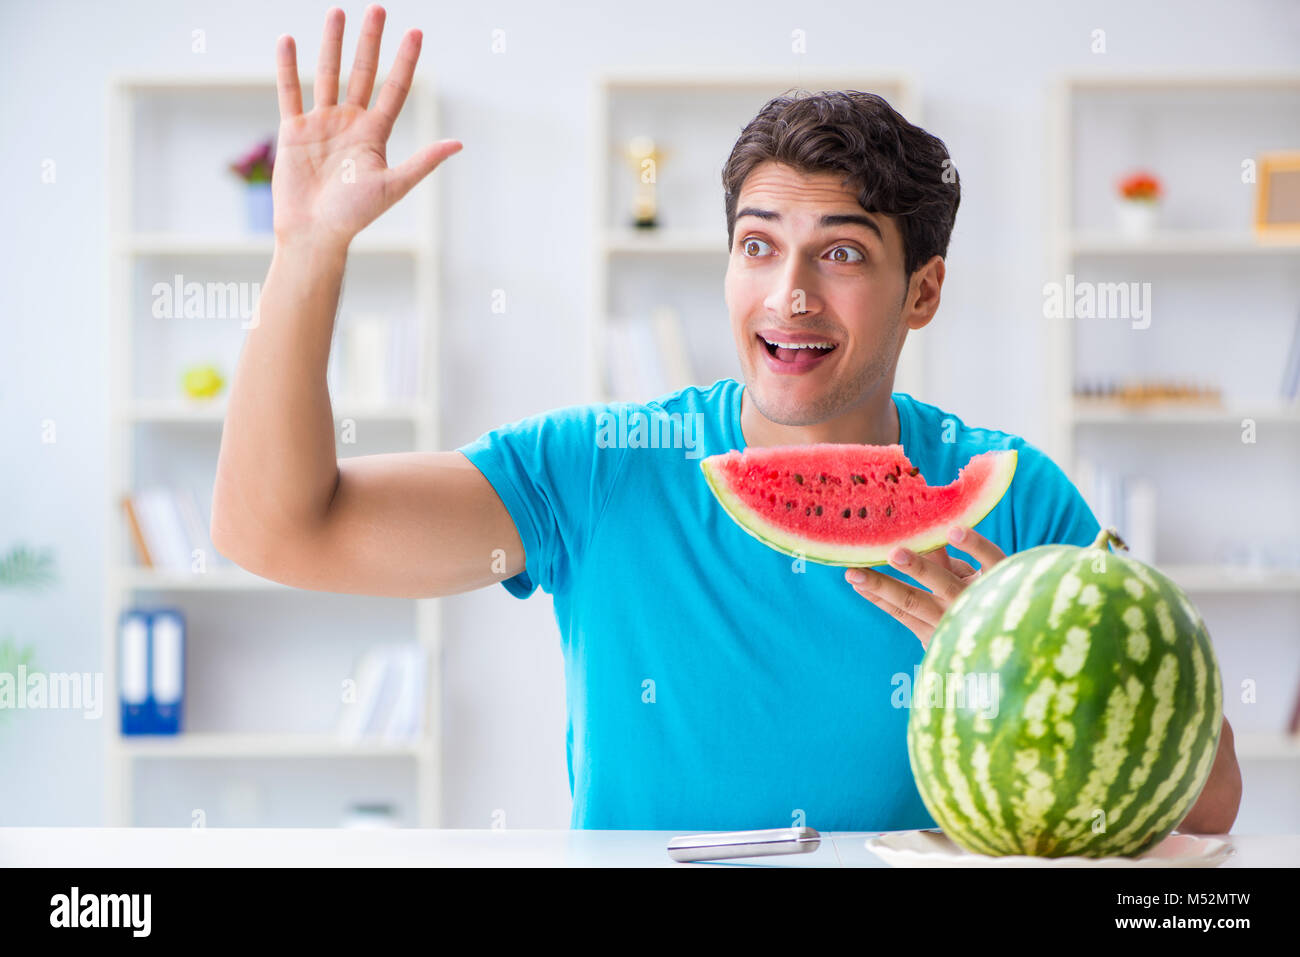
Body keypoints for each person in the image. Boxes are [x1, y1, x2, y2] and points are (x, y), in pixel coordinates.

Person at [212, 4, 1240, 833]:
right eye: (757, 245)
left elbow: (1209, 799)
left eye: (839, 254)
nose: (788, 294)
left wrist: (1003, 663)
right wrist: (307, 254)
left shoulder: (1011, 496)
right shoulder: (598, 468)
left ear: (922, 292)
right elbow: (276, 532)